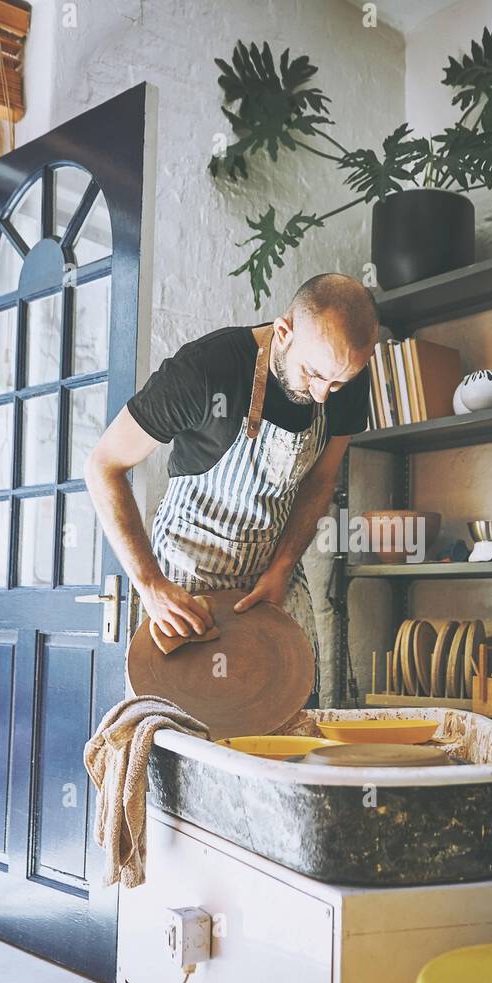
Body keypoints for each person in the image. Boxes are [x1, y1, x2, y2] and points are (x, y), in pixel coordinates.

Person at [85, 272, 376, 699]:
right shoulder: (206, 370)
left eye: (338, 383)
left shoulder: (342, 374)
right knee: (186, 731)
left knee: (291, 720)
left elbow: (321, 481)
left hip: (271, 581)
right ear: (284, 332)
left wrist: (281, 569)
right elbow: (103, 465)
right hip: (184, 583)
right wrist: (150, 585)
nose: (322, 395)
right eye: (312, 374)